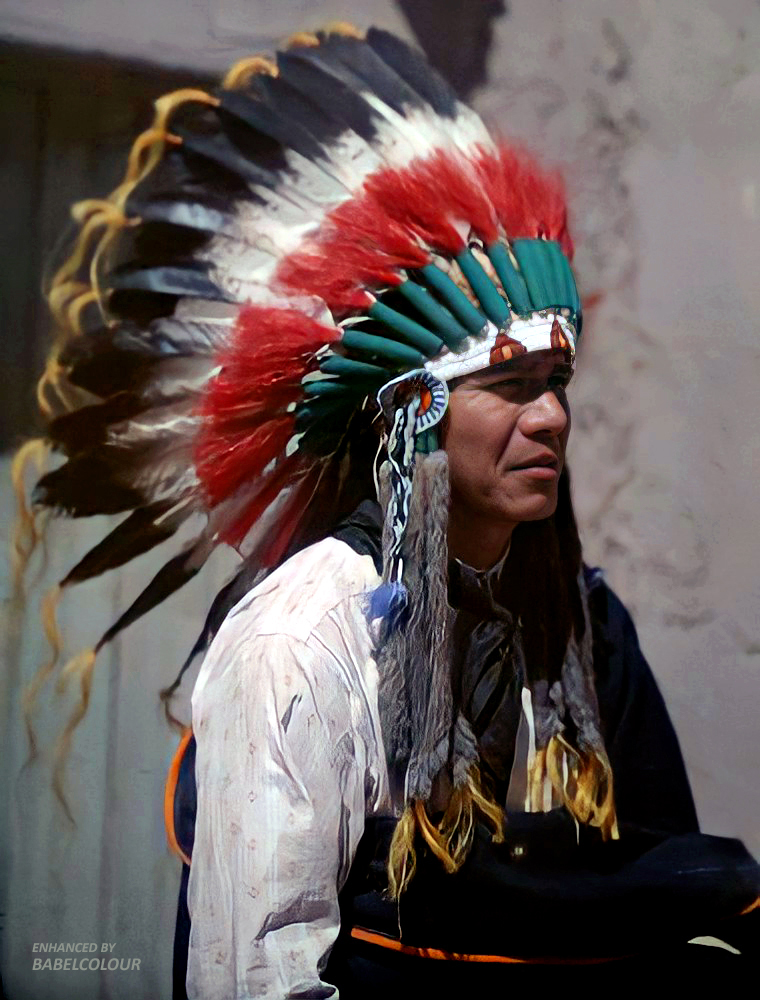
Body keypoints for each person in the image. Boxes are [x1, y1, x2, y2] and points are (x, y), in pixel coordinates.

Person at [20, 23, 759, 1000]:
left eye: (557, 381)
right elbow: (259, 977)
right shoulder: (298, 646)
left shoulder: (584, 634)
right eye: (509, 383)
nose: (550, 415)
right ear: (410, 415)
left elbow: (666, 906)